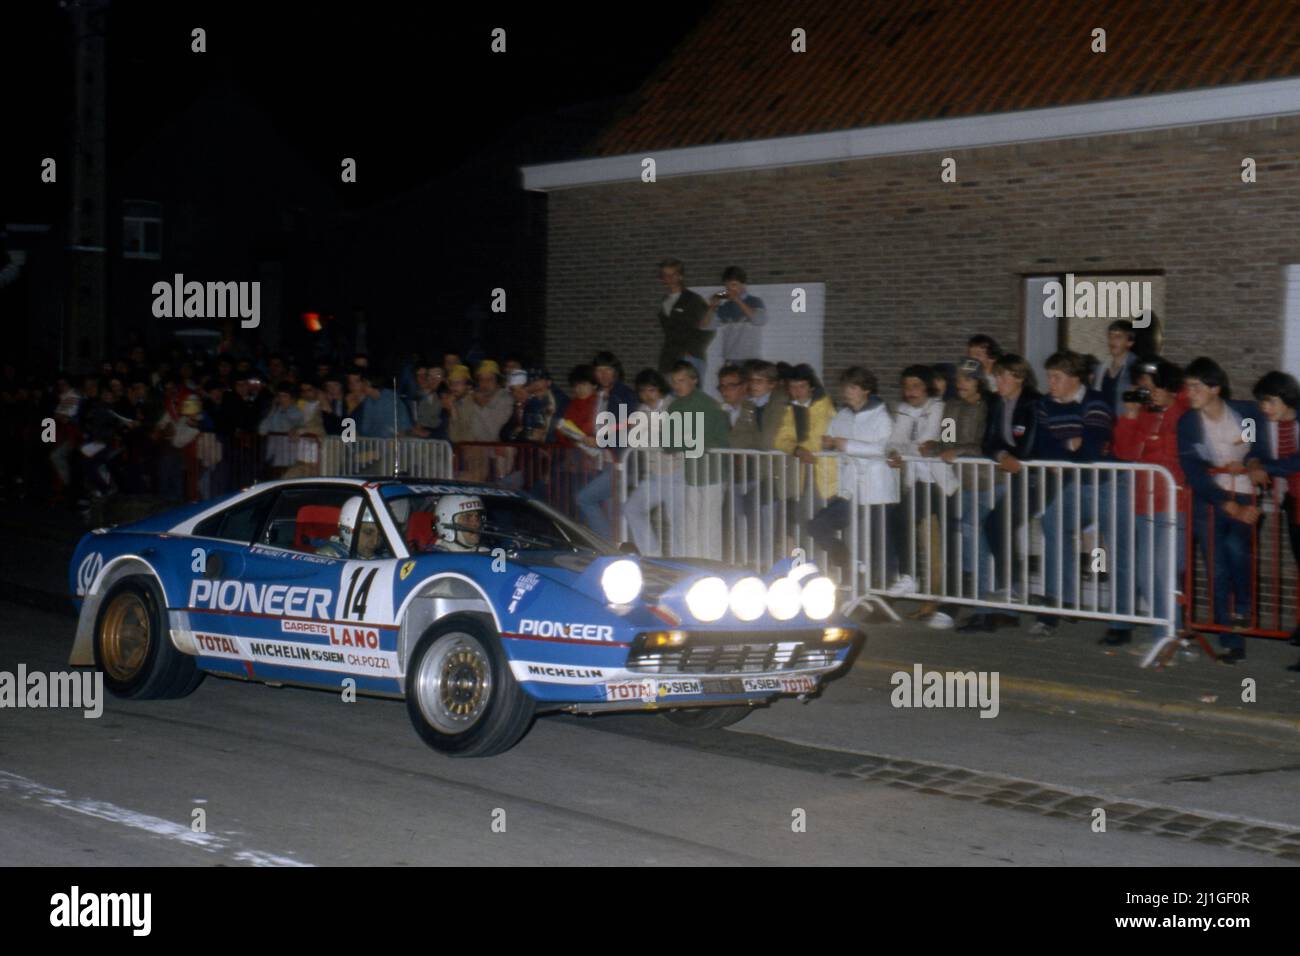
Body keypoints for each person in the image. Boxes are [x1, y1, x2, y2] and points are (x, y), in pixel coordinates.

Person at [1027, 350, 1124, 637]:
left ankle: (1120, 621)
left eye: (1057, 377)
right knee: (1053, 524)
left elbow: (1094, 448)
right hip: (1077, 482)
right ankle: (1060, 602)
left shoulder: (1096, 402)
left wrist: (1069, 451)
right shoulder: (1045, 404)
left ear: (1074, 379)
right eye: (1049, 377)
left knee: (1117, 544)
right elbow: (1042, 448)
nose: (1051, 383)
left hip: (1108, 483)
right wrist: (1071, 445)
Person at [1110, 359, 1189, 647]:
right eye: (1140, 384)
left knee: (1164, 572)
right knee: (1145, 574)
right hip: (1144, 503)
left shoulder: (1183, 409)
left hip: (1175, 502)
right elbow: (1126, 452)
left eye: (1148, 383)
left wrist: (1170, 402)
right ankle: (1163, 634)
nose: (1145, 389)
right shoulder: (1142, 414)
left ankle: (1169, 637)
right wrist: (1129, 416)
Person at [961, 353, 1040, 633]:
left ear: (1018, 377)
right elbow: (988, 441)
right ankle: (1013, 587)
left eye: (1002, 376)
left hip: (1035, 478)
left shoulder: (1033, 402)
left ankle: (1018, 589)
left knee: (998, 523)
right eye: (996, 376)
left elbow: (1032, 440)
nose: (997, 381)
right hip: (1011, 471)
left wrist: (1014, 456)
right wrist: (1002, 454)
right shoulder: (998, 403)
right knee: (995, 524)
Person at [921, 358, 992, 629]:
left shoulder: (987, 406)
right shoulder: (951, 407)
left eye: (969, 379)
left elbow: (983, 443)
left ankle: (983, 603)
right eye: (960, 378)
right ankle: (959, 600)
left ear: (979, 383)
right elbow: (948, 440)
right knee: (960, 537)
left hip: (989, 483)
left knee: (973, 532)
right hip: (963, 483)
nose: (962, 383)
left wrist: (958, 451)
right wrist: (934, 446)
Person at [809, 367, 896, 577]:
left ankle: (884, 584)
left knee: (880, 541)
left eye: (853, 387)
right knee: (818, 525)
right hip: (850, 487)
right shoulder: (842, 415)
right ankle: (845, 559)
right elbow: (831, 438)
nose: (847, 391)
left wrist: (846, 445)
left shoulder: (882, 416)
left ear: (866, 390)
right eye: (845, 387)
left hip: (876, 488)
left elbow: (882, 448)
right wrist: (828, 444)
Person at [1247, 370, 1300, 665]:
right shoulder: (1262, 425)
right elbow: (1253, 450)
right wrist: (1254, 462)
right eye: (1261, 402)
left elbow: (1294, 461)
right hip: (1294, 502)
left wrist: (1267, 468)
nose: (1263, 408)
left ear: (1285, 398)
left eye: (1269, 401)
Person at [885, 365, 947, 599]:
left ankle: (942, 594)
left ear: (927, 387)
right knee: (900, 518)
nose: (910, 391)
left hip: (941, 480)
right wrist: (894, 451)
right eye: (906, 386)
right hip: (919, 480)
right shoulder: (903, 410)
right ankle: (909, 576)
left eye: (916, 386)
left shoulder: (941, 408)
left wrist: (905, 450)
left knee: (946, 539)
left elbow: (932, 442)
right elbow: (895, 440)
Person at [656, 258, 712, 379]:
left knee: (691, 396)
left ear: (680, 276)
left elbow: (708, 328)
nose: (669, 278)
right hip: (669, 359)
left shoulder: (693, 300)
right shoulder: (665, 302)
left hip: (690, 358)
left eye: (673, 274)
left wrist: (691, 352)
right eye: (665, 275)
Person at [704, 266, 767, 364]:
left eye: (734, 285)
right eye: (727, 287)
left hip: (751, 359)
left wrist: (738, 300)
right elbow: (705, 326)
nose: (730, 290)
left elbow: (759, 320)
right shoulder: (725, 307)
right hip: (730, 358)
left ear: (743, 285)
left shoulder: (755, 301)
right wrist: (712, 307)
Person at [1093, 319, 1141, 415]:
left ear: (1130, 342)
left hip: (1124, 423)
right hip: (1103, 422)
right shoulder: (1101, 368)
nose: (1112, 341)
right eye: (1110, 336)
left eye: (1118, 337)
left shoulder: (1136, 368)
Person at [318, 496, 384, 559]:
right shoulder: (329, 557)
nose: (375, 542)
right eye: (368, 532)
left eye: (380, 534)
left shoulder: (385, 555)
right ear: (347, 531)